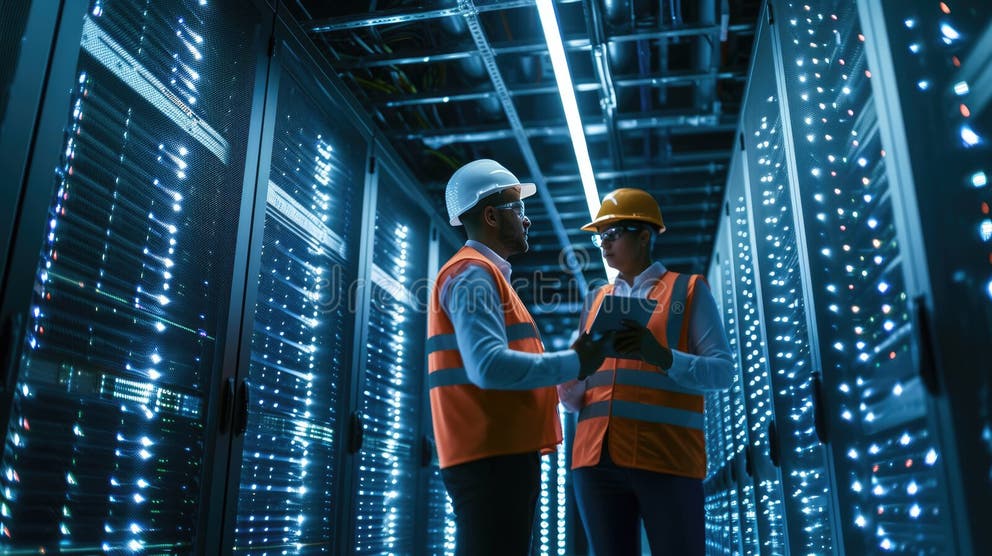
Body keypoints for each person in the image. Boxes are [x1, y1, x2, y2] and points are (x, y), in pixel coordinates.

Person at [427, 159, 611, 556]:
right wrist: (576, 362)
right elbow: (489, 366)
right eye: (518, 208)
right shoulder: (473, 273)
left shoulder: (487, 276)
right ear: (490, 215)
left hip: (498, 452)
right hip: (491, 454)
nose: (527, 220)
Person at [558, 188, 734, 556]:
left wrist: (663, 356)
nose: (603, 245)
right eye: (599, 237)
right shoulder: (595, 300)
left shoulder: (687, 291)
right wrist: (571, 374)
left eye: (612, 234)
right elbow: (574, 401)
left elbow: (721, 373)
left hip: (666, 457)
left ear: (644, 235)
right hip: (594, 461)